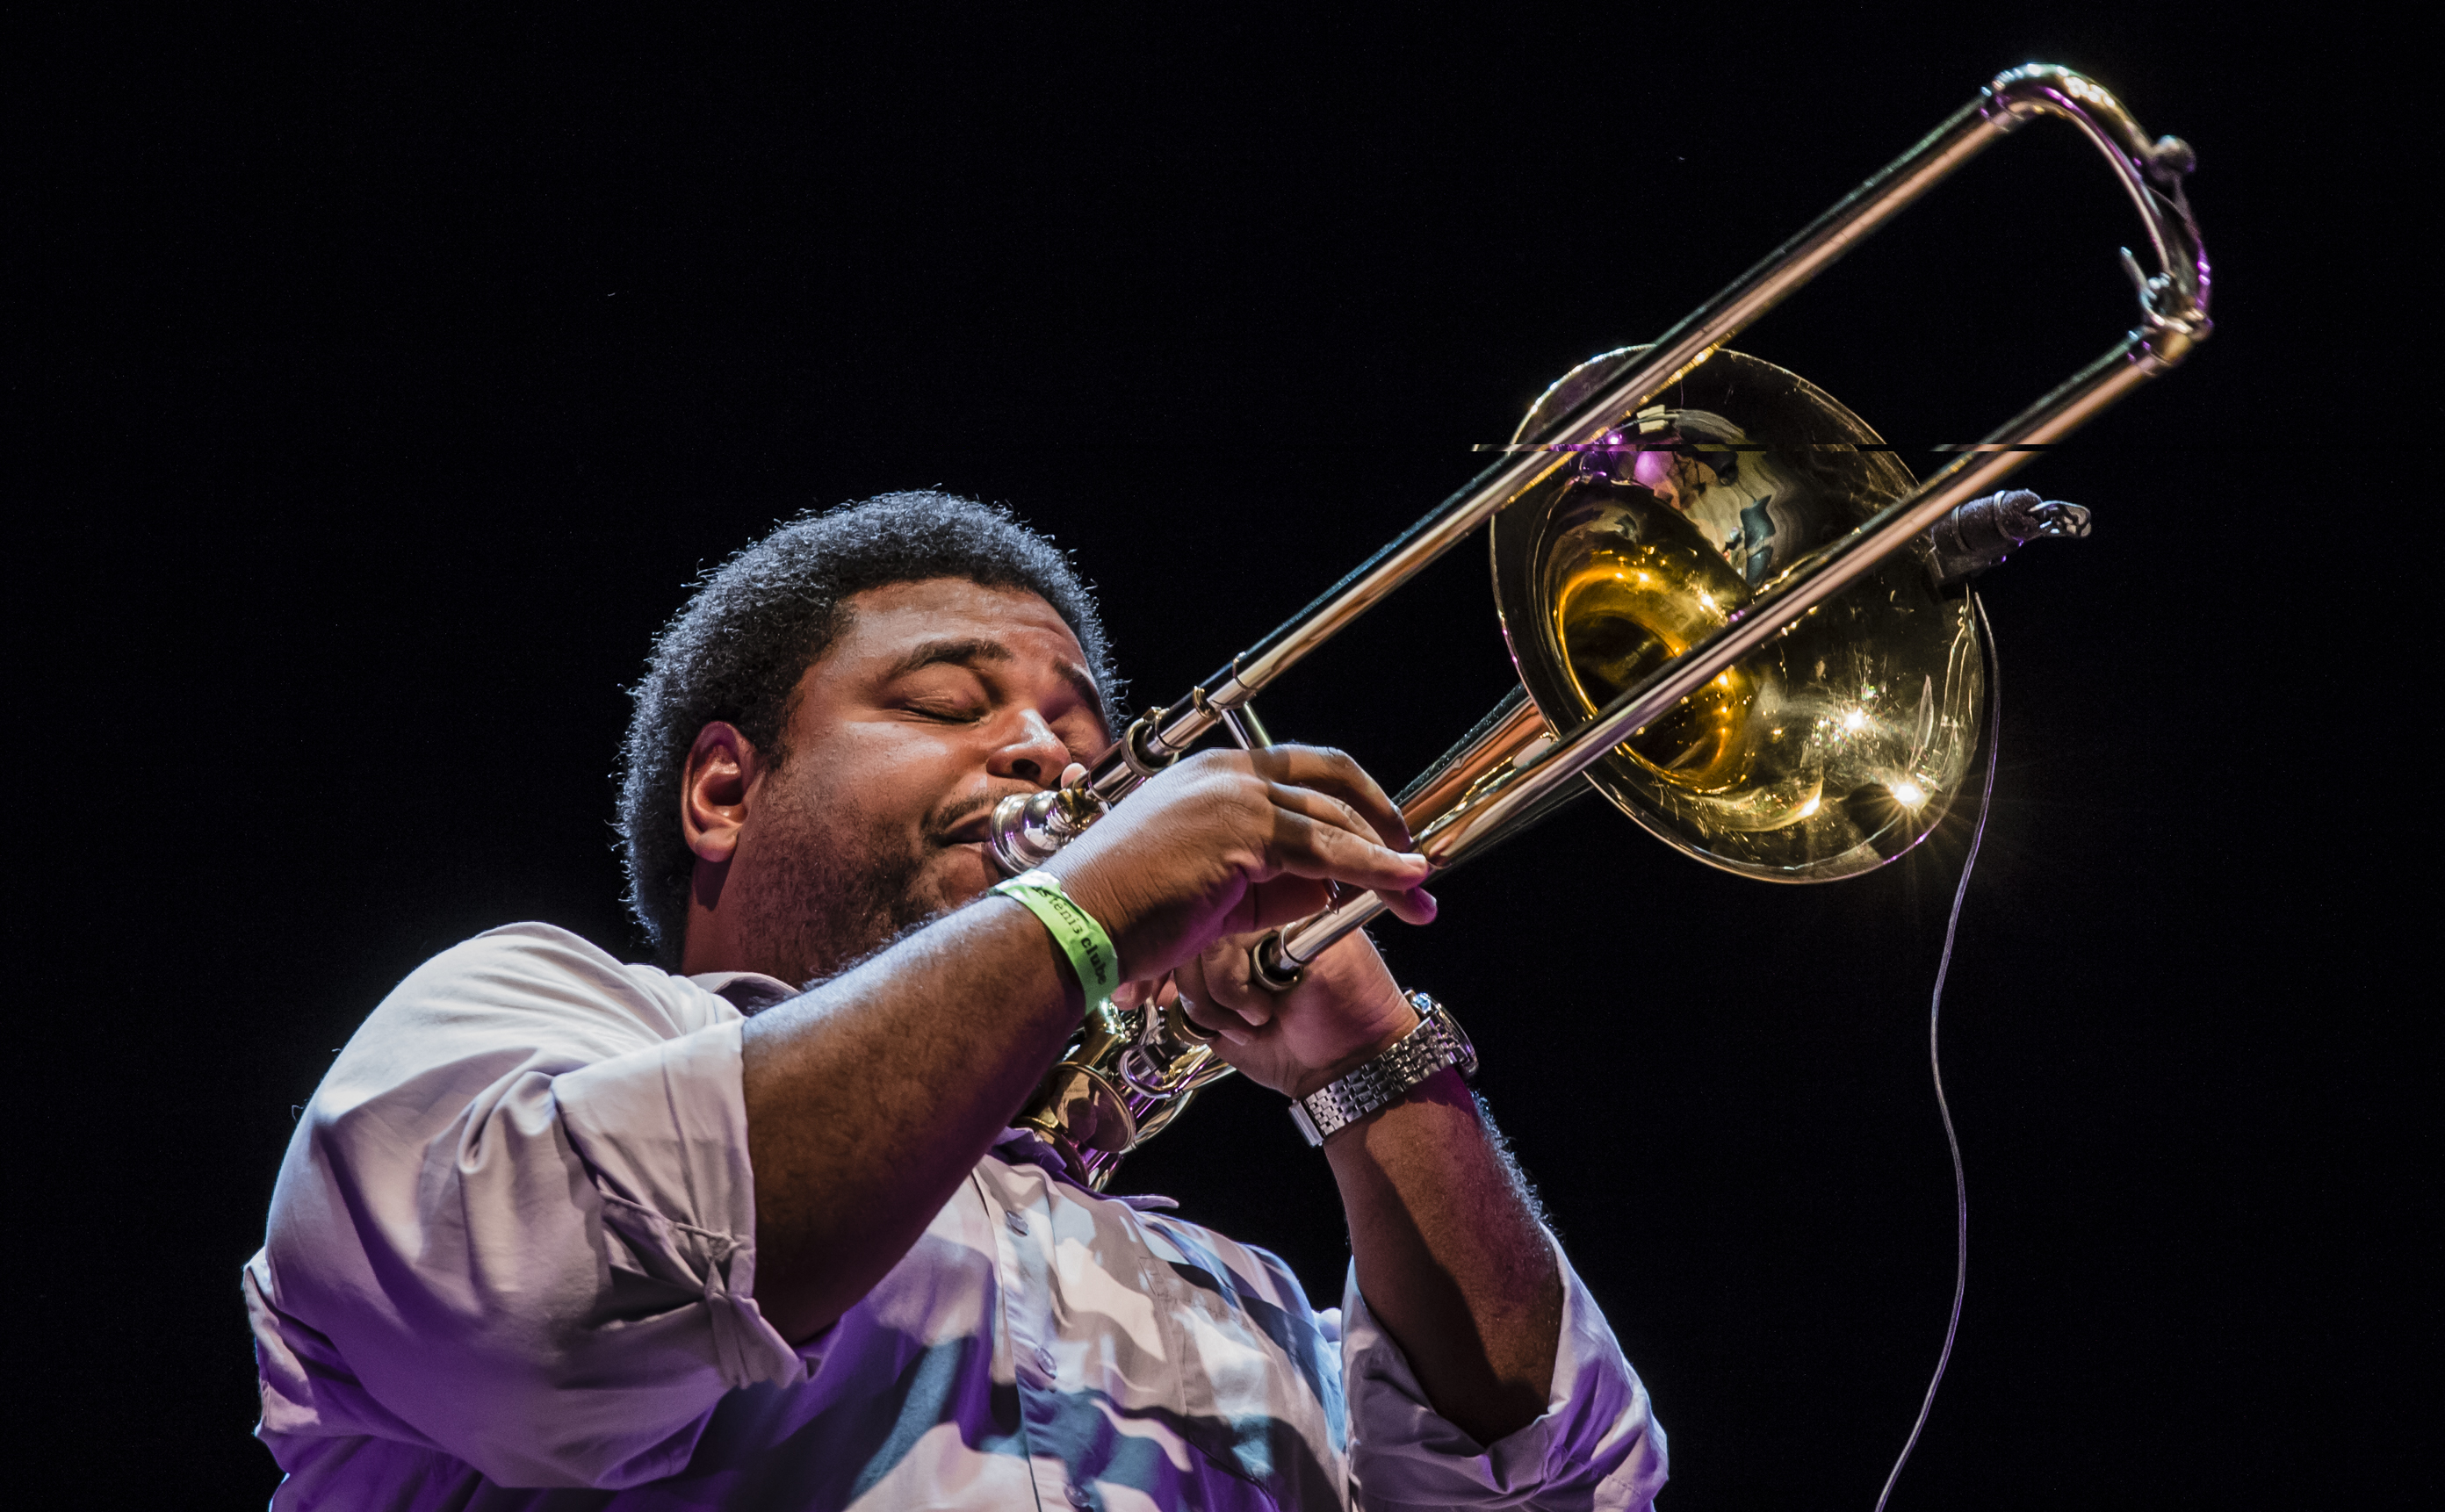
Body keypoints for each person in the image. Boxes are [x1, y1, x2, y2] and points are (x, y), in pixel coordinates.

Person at [245, 492, 1667, 1509]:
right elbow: (538, 1319)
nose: (1052, 760)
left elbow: (1556, 1487)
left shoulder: (1236, 1300)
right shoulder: (516, 1024)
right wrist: (1088, 906)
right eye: (944, 704)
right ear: (724, 790)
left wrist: (1370, 1059)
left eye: (1085, 735)